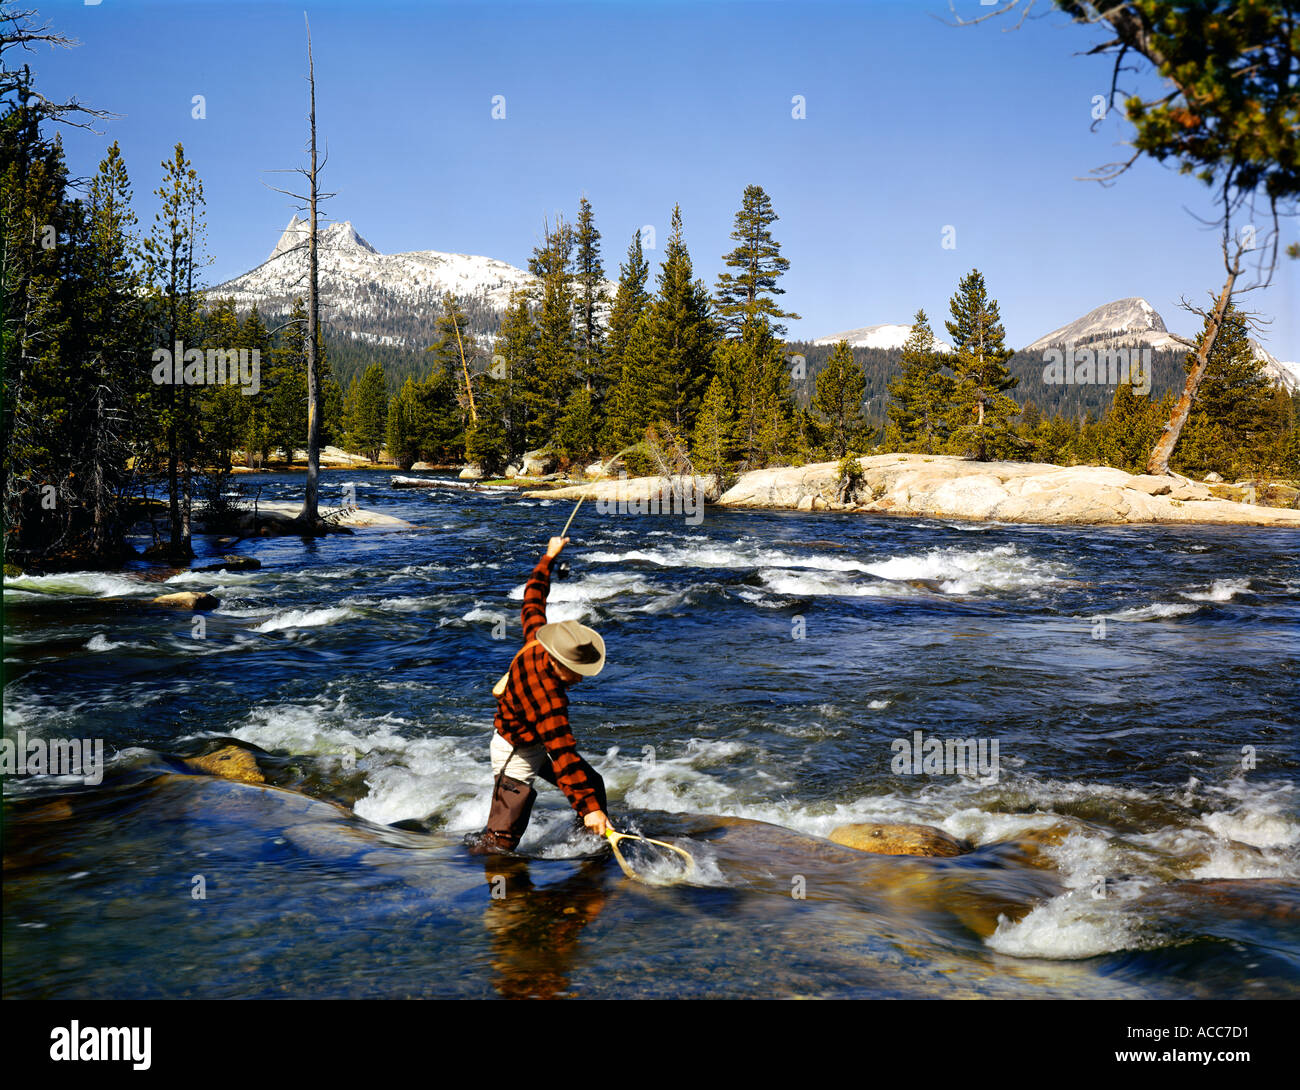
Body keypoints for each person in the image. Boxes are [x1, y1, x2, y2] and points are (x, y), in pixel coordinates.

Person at [470, 535, 611, 853]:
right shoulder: (548, 694)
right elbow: (562, 753)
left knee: (594, 785)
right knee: (499, 843)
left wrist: (548, 557)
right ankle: (466, 878)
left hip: (536, 738)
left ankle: (587, 852)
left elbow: (533, 598)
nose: (581, 677)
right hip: (515, 749)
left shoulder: (538, 640)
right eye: (578, 670)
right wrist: (589, 808)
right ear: (560, 664)